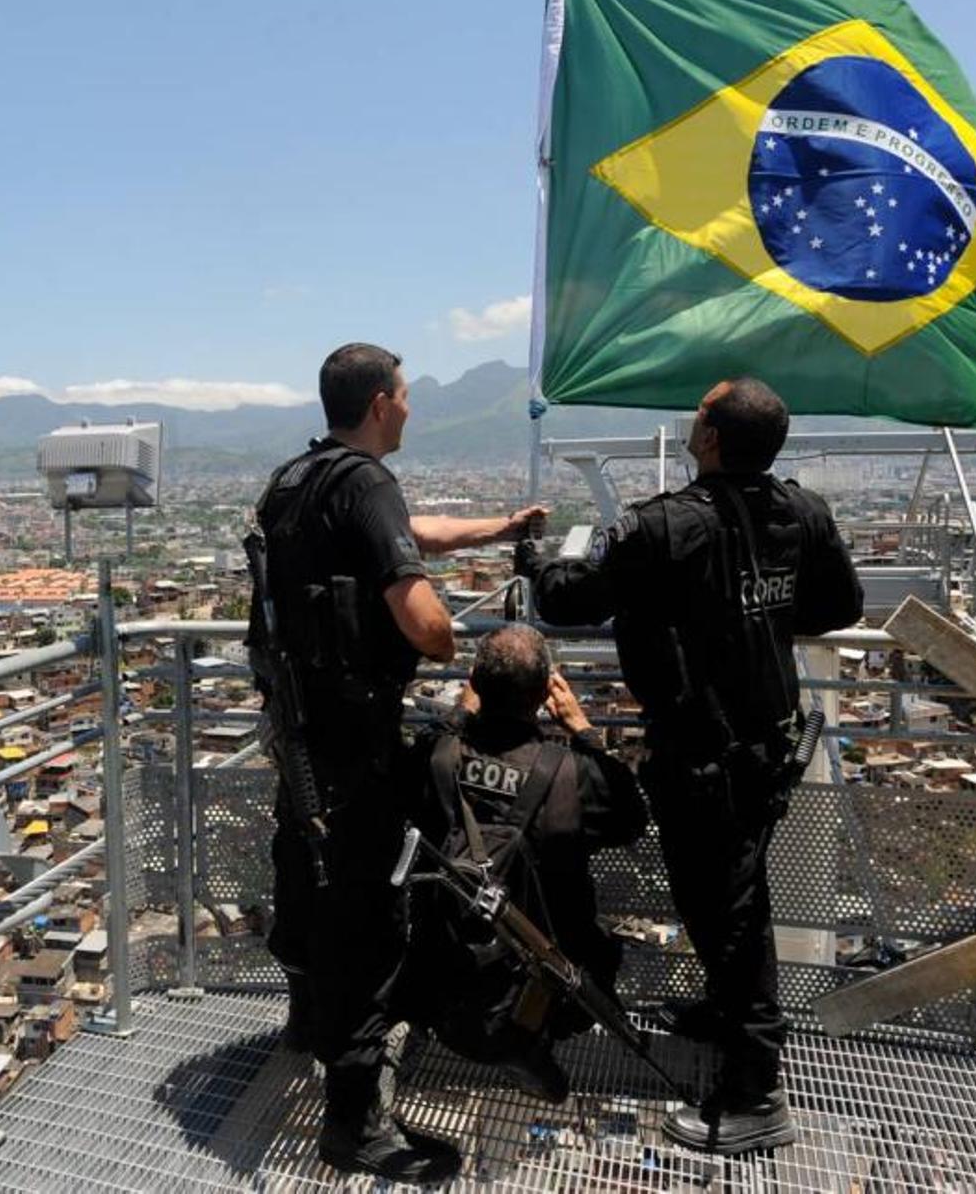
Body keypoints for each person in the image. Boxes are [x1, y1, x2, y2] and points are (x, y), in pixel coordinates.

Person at [519, 376, 863, 1155]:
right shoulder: (803, 512)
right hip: (768, 745)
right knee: (725, 899)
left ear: (708, 437)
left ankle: (756, 1094)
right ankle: (721, 1014)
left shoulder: (662, 526)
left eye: (699, 416)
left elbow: (570, 600)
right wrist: (764, 616)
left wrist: (536, 562)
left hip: (702, 754)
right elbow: (839, 606)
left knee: (731, 916)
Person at [252, 343, 544, 1183]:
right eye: (406, 395)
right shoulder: (367, 482)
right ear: (381, 403)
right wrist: (462, 640)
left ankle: (306, 1025)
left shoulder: (296, 481)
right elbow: (426, 624)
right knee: (366, 929)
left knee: (306, 885)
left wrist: (500, 528)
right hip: (354, 747)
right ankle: (354, 1124)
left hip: (300, 738)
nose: (412, 407)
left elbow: (409, 538)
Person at [400, 624, 648, 1102]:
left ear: (475, 684)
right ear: (543, 696)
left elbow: (405, 777)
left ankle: (422, 1027)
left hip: (441, 968)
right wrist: (584, 731)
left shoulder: (440, 757)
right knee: (594, 942)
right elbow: (631, 817)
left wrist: (459, 714)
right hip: (545, 984)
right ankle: (529, 1042)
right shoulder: (572, 776)